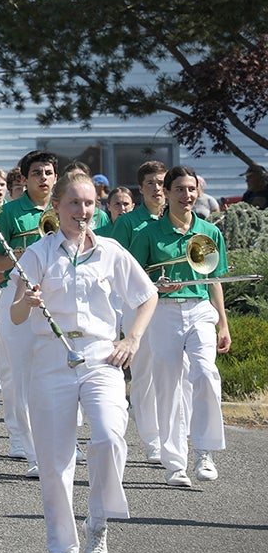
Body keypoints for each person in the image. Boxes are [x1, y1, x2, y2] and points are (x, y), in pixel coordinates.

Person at [11, 171, 157, 553]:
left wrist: (132, 339)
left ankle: (98, 520)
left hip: (101, 356)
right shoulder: (38, 253)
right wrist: (28, 301)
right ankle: (62, 549)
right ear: (57, 206)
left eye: (89, 203)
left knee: (109, 436)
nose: (83, 210)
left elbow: (147, 296)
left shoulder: (111, 251)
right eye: (74, 202)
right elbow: (16, 315)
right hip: (50, 358)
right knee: (55, 460)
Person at [129, 166, 231, 487]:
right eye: (180, 189)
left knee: (206, 374)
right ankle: (175, 464)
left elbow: (214, 280)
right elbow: (135, 278)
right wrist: (156, 285)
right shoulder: (149, 232)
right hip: (163, 312)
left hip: (200, 309)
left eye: (191, 189)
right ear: (168, 193)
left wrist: (224, 324)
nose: (187, 195)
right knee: (168, 385)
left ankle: (204, 451)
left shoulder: (209, 231)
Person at [0, 150, 57, 476]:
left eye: (48, 172)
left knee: (57, 373)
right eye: (37, 173)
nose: (44, 178)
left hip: (56, 299)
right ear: (25, 179)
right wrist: (25, 254)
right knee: (18, 375)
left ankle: (62, 439)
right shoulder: (10, 213)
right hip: (17, 296)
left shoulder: (65, 208)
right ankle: (26, 444)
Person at [107, 161, 167, 462]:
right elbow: (116, 267)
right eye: (151, 183)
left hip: (172, 305)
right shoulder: (128, 222)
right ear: (141, 189)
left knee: (174, 374)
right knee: (145, 374)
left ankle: (172, 436)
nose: (157, 189)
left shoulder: (174, 219)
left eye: (162, 183)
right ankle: (152, 439)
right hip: (138, 303)